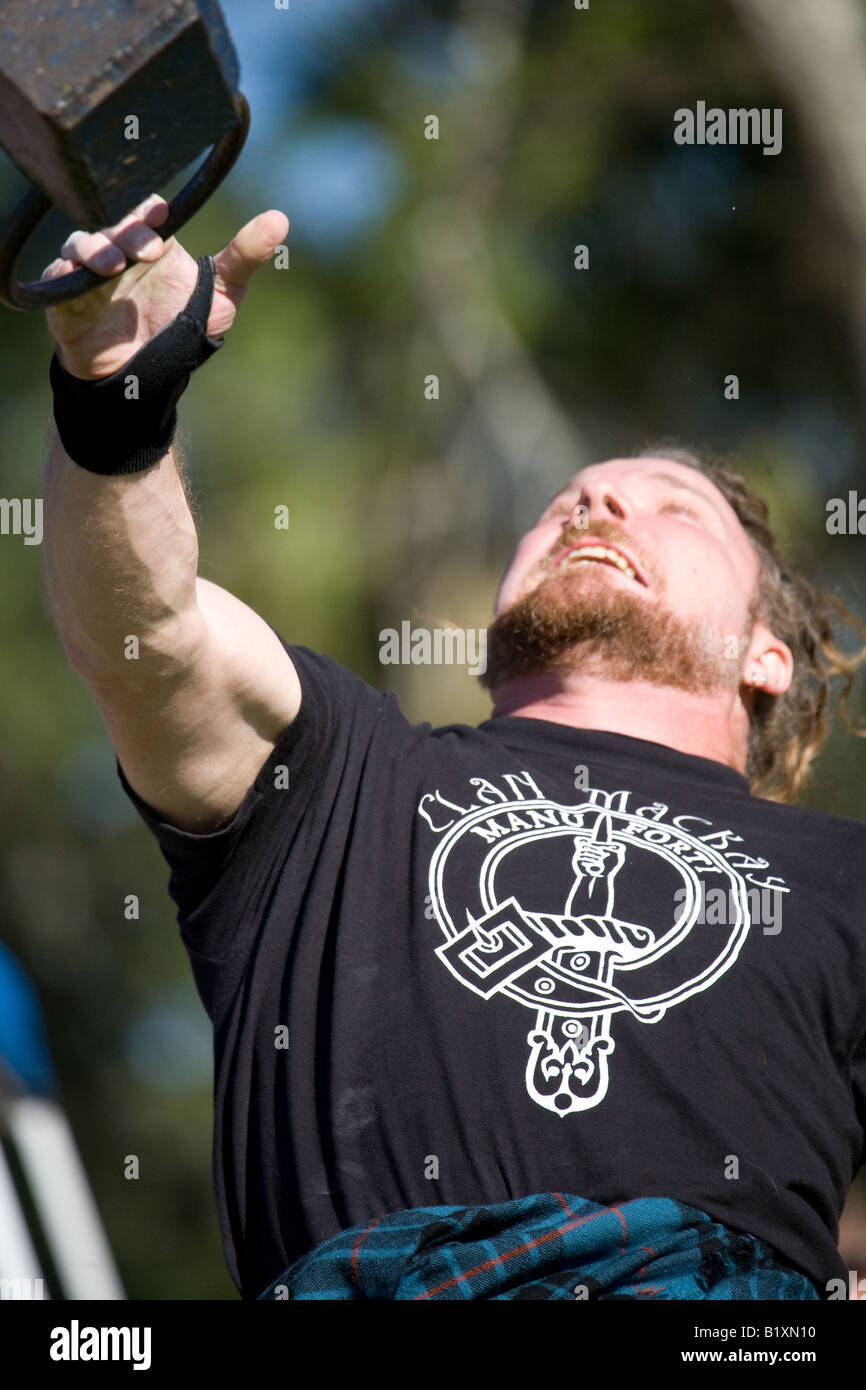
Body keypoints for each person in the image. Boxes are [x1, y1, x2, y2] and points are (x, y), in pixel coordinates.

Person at [40, 196, 866, 1302]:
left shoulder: (843, 877)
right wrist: (114, 403)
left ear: (765, 654)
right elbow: (148, 635)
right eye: (562, 501)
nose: (595, 498)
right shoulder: (338, 773)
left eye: (670, 506)